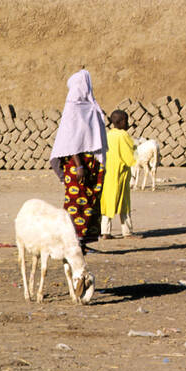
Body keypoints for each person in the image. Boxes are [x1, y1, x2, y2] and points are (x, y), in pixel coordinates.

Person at [50, 69, 107, 253]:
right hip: (78, 166)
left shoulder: (90, 106)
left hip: (91, 164)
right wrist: (79, 165)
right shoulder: (73, 109)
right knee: (76, 204)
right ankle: (72, 242)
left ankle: (82, 243)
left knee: (90, 202)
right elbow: (71, 140)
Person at [100, 109, 136, 238]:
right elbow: (129, 157)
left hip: (107, 174)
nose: (128, 124)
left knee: (108, 202)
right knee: (124, 203)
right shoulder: (123, 135)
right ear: (121, 122)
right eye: (126, 121)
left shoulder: (108, 135)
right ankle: (127, 231)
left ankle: (105, 231)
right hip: (120, 175)